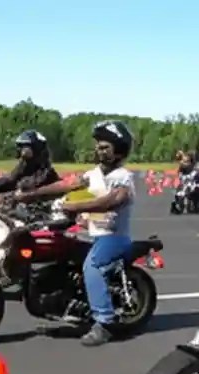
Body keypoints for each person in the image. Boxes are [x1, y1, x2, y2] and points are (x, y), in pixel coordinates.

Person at [13, 119, 137, 347]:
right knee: (56, 245)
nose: (99, 150)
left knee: (93, 266)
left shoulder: (122, 176)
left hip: (113, 237)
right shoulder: (93, 175)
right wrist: (31, 194)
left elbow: (113, 200)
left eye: (105, 146)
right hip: (89, 234)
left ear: (119, 150)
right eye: (98, 146)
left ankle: (105, 322)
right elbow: (66, 185)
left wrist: (77, 207)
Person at [0, 130, 59, 197]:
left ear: (35, 148)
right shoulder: (25, 165)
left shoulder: (46, 173)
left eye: (24, 146)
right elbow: (8, 181)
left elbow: (11, 183)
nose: (21, 150)